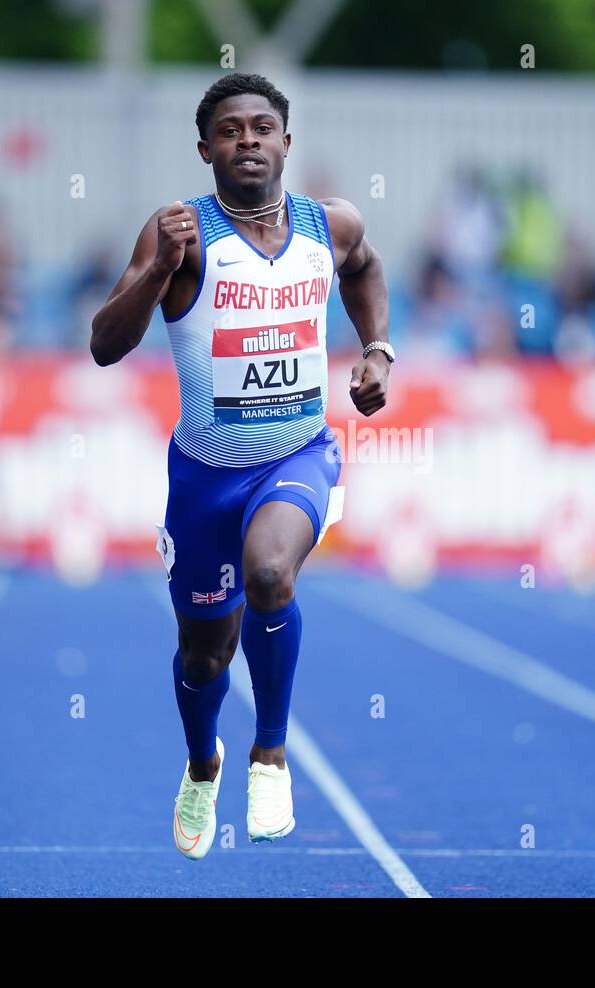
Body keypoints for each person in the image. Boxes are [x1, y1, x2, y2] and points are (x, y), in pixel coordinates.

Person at [89, 73, 393, 860]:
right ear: (206, 148)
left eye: (263, 127)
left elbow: (363, 270)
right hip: (204, 480)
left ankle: (270, 753)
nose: (248, 140)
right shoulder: (177, 235)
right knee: (202, 654)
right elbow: (103, 344)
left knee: (269, 577)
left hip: (297, 455)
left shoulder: (332, 224)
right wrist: (159, 274)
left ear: (286, 143)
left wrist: (378, 350)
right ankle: (203, 764)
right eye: (231, 130)